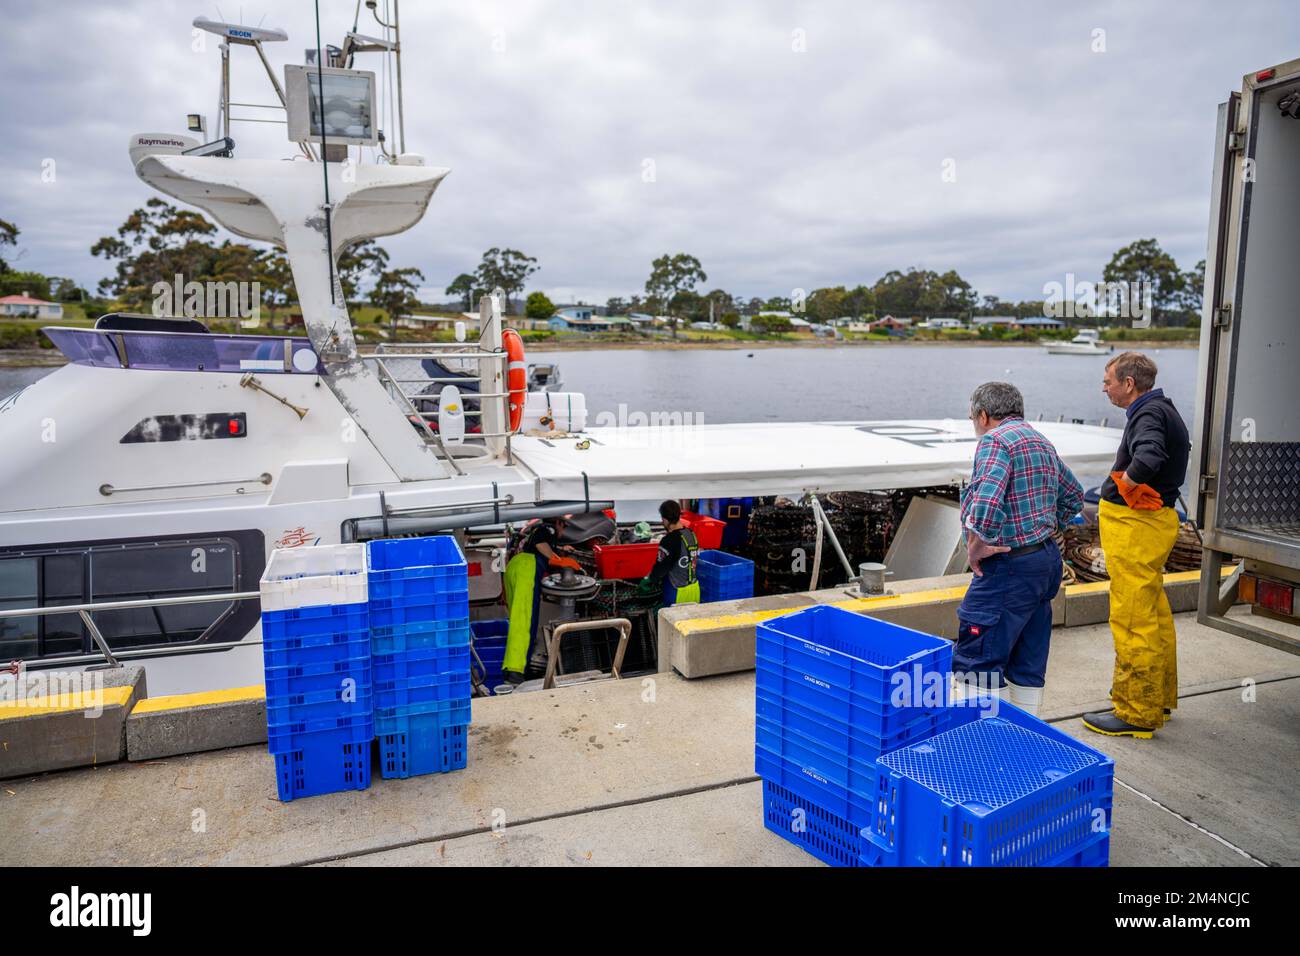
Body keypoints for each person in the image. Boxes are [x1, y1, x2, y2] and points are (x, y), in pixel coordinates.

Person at [956, 382, 1084, 715]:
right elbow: (1074, 495)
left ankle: (978, 747)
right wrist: (1041, 525)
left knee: (977, 656)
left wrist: (976, 546)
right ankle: (1021, 740)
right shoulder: (1040, 441)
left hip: (1009, 567)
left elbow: (985, 504)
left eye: (972, 418)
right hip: (1044, 561)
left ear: (983, 416)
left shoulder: (995, 441)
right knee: (1028, 660)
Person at [1083, 352, 1190, 739]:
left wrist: (1126, 486)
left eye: (1108, 380)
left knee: (1132, 620)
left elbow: (1149, 455)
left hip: (1137, 528)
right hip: (1153, 524)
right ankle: (1157, 696)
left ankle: (1136, 712)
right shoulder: (1162, 409)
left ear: (1129, 384)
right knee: (1154, 614)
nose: (1104, 387)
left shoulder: (1147, 414)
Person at [502, 515, 580, 684]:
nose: (563, 531)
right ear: (558, 522)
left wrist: (558, 555)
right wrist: (558, 561)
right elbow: (540, 543)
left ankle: (520, 667)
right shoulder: (548, 529)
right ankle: (515, 672)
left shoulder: (536, 528)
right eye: (564, 527)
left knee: (519, 621)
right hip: (526, 570)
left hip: (515, 568)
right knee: (524, 622)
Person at [640, 500, 701, 608]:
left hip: (677, 592)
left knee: (673, 623)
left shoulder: (669, 540)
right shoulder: (691, 534)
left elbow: (661, 568)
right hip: (694, 589)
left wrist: (648, 580)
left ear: (664, 519)